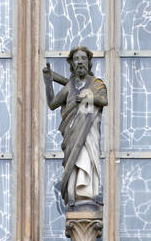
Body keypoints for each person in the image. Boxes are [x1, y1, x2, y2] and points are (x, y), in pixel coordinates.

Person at [43, 47, 108, 208]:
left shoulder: (96, 84)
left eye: (83, 58)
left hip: (89, 132)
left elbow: (104, 100)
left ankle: (90, 193)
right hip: (72, 132)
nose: (80, 62)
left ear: (88, 62)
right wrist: (47, 82)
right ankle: (72, 194)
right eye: (76, 59)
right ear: (72, 63)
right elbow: (52, 104)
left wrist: (89, 96)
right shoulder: (69, 86)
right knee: (74, 159)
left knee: (87, 157)